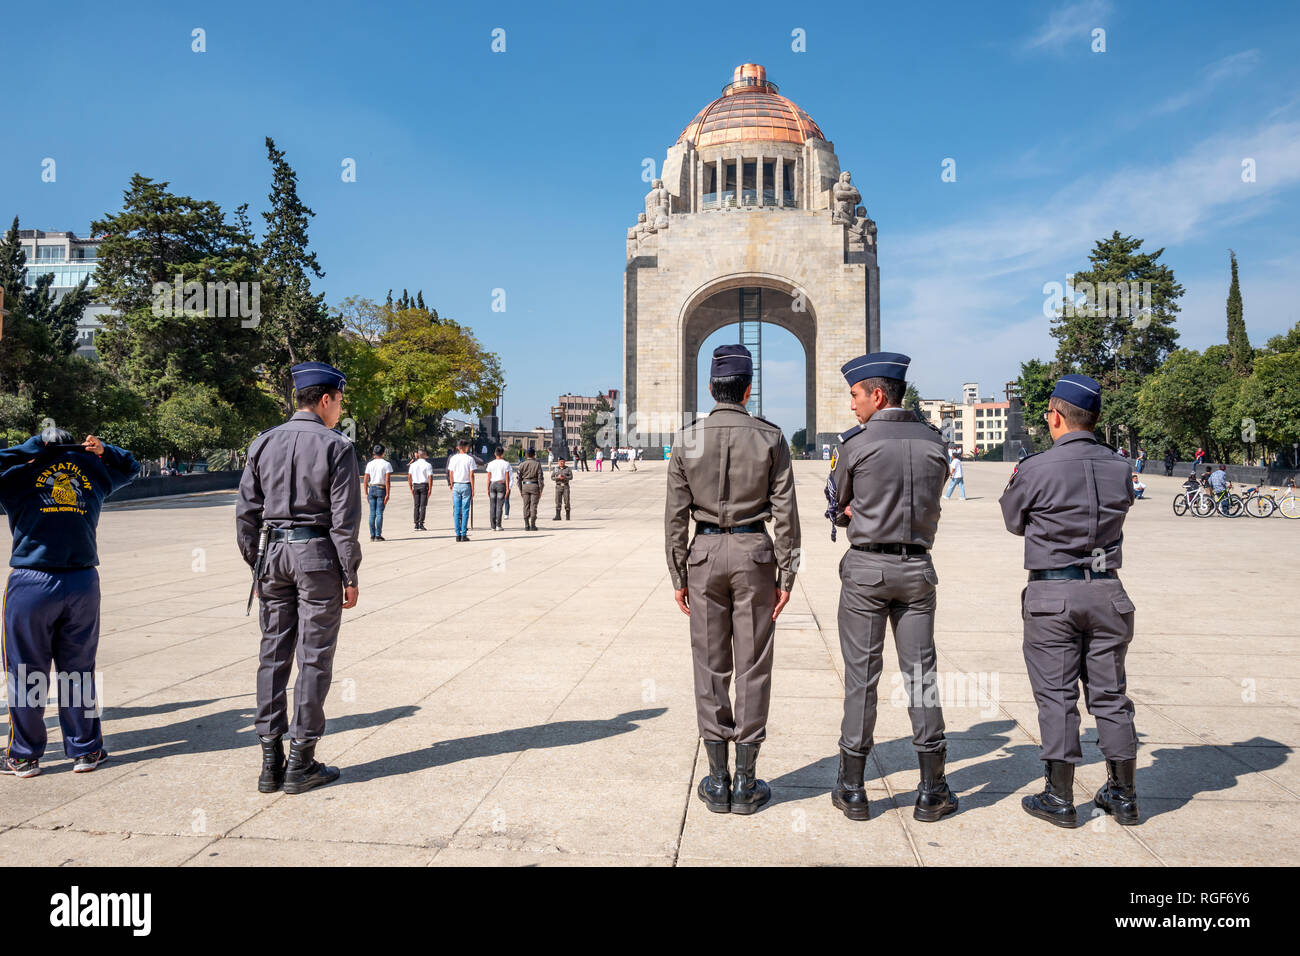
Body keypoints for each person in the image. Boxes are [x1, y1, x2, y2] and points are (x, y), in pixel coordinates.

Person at [999, 373, 1139, 828]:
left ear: (1055, 416)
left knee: (1057, 697)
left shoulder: (1036, 467)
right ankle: (1123, 793)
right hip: (1108, 591)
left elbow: (1013, 519)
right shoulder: (1120, 466)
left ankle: (1059, 797)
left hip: (1053, 595)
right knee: (1111, 695)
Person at [665, 344, 800, 816]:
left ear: (710, 388)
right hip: (754, 554)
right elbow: (786, 513)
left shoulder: (687, 439)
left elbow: (675, 515)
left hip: (702, 554)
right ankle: (746, 779)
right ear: (748, 390)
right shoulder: (770, 437)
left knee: (709, 664)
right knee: (754, 664)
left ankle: (717, 778)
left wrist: (677, 571)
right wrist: (788, 571)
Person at [827, 352, 957, 824]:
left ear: (877, 395)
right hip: (918, 569)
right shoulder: (935, 442)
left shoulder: (855, 444)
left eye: (856, 396)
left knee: (862, 677)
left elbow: (836, 500)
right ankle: (932, 788)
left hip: (866, 570)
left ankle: (853, 787)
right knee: (921, 677)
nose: (853, 407)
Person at [236, 362, 362, 795]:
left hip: (272, 554)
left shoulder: (263, 443)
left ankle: (270, 762)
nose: (340, 410)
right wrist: (351, 573)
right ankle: (301, 761)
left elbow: (246, 514)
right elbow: (344, 521)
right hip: (317, 557)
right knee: (314, 656)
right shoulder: (337, 447)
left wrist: (256, 565)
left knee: (272, 653)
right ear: (325, 399)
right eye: (339, 401)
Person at [1, 429, 139, 778]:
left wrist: (27, 449)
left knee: (27, 672)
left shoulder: (18, 476)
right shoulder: (92, 473)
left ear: (40, 446)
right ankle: (85, 750)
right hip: (82, 581)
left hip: (32, 581)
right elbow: (132, 466)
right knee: (78, 669)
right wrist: (106, 450)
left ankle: (25, 755)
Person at [447, 439, 476, 542]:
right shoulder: (469, 459)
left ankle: (457, 534)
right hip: (466, 485)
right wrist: (473, 488)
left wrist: (451, 484)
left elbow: (451, 473)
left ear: (458, 447)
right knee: (465, 510)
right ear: (466, 447)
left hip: (456, 485)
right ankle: (463, 534)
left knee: (456, 510)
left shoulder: (453, 458)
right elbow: (471, 474)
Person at [361, 445, 391, 542]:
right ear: (383, 453)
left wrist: (366, 493)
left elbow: (365, 480)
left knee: (372, 514)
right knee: (379, 513)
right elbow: (387, 481)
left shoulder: (370, 464)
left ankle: (372, 535)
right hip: (381, 489)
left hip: (372, 488)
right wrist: (388, 494)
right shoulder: (386, 464)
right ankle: (378, 535)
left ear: (374, 452)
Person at [517, 448, 544, 531]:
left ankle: (526, 524)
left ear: (526, 455)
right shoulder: (537, 464)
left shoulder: (521, 464)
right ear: (534, 454)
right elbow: (540, 479)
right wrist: (541, 489)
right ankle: (533, 524)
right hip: (534, 486)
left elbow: (518, 479)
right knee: (533, 506)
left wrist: (520, 490)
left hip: (525, 486)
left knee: (526, 505)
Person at [486, 446, 511, 531]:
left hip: (492, 485)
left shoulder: (490, 463)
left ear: (495, 454)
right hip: (501, 484)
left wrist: (487, 488)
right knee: (499, 506)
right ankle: (498, 525)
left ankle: (492, 526)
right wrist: (508, 488)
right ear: (503, 454)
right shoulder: (506, 464)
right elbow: (507, 477)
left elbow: (488, 477)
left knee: (492, 505)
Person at [408, 449, 433, 531]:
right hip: (424, 486)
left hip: (415, 485)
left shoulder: (413, 465)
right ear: (425, 455)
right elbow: (430, 477)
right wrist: (430, 488)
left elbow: (409, 477)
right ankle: (421, 523)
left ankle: (416, 523)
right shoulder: (428, 465)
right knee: (423, 506)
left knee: (416, 505)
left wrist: (410, 487)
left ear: (418, 455)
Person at [551, 455, 574, 520]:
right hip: (558, 486)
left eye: (563, 461)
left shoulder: (568, 468)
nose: (561, 463)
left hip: (565, 486)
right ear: (558, 462)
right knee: (558, 501)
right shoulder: (556, 469)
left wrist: (565, 477)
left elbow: (571, 477)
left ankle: (567, 516)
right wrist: (557, 477)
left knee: (567, 501)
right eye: (560, 461)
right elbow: (552, 477)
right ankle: (558, 516)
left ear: (564, 462)